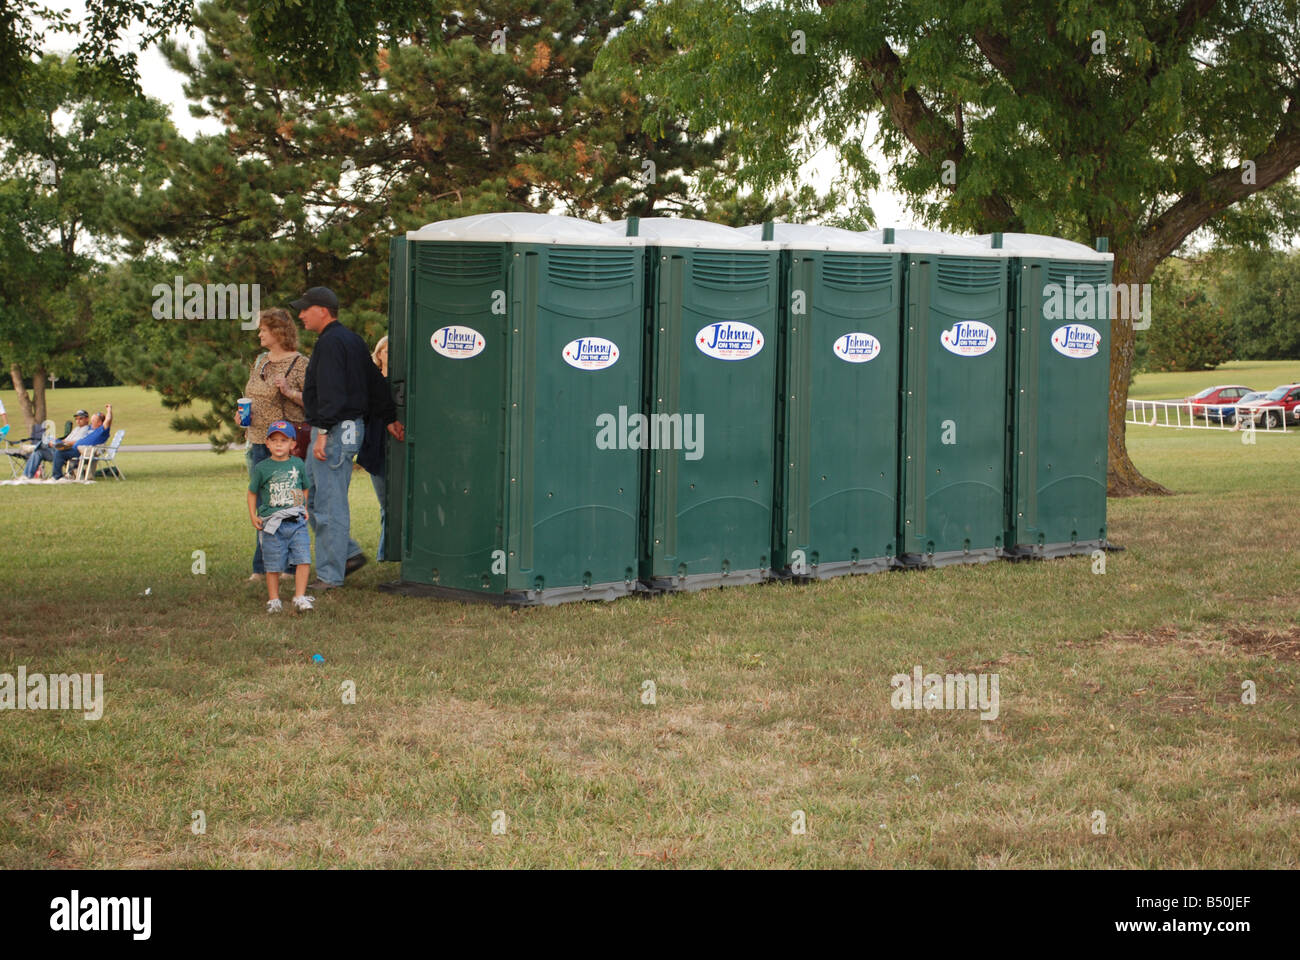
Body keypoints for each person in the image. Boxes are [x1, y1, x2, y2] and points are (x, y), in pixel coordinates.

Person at [294, 285, 403, 591]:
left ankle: (330, 576)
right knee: (312, 497)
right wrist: (390, 417)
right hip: (340, 427)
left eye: (305, 308)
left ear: (322, 310)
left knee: (328, 503)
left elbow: (332, 391)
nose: (301, 315)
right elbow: (375, 382)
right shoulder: (351, 340)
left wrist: (324, 432)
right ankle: (349, 555)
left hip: (335, 430)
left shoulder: (331, 343)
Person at [242, 308, 309, 582]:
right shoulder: (260, 360)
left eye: (264, 330)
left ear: (278, 332)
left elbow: (313, 401)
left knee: (287, 505)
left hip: (284, 446)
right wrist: (241, 415)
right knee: (264, 505)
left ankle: (291, 567)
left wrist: (289, 392)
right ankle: (262, 567)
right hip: (256, 441)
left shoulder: (300, 363)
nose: (259, 334)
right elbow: (250, 393)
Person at [247, 420, 313, 613]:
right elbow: (252, 493)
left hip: (296, 521)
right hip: (272, 524)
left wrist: (304, 507)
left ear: (292, 444)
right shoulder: (262, 468)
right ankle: (274, 599)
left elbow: (305, 488)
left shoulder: (298, 464)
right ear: (267, 443)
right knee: (273, 563)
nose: (278, 444)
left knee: (303, 559)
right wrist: (253, 515)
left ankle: (299, 596)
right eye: (273, 440)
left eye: (283, 441)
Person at [358, 335, 392, 562]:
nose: (390, 355)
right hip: (375, 450)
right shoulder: (369, 383)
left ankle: (390, 553)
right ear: (378, 354)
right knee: (385, 504)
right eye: (386, 350)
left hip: (397, 447)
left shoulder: (404, 384)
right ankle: (384, 553)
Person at [24, 406, 112, 480]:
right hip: (68, 448)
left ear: (100, 423)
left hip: (75, 451)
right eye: (92, 420)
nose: (91, 422)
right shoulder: (90, 429)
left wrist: (109, 410)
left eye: (94, 421)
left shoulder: (102, 431)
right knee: (39, 452)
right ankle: (27, 476)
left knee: (58, 449)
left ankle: (57, 477)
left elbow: (108, 420)